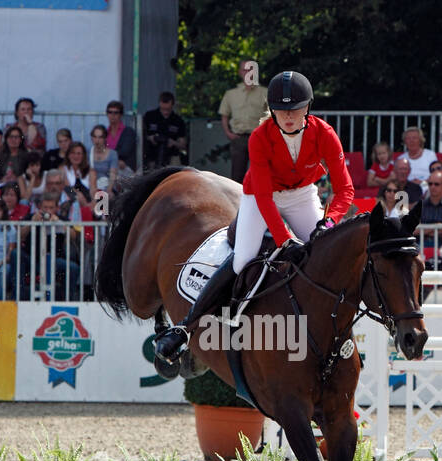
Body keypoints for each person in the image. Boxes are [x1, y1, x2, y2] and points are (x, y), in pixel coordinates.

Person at [154, 70, 354, 363]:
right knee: (243, 257)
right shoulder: (260, 137)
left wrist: (331, 221)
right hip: (261, 197)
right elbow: (263, 197)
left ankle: (342, 333)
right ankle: (187, 327)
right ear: (272, 110)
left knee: (330, 255)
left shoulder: (324, 133)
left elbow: (345, 190)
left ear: (307, 108)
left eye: (295, 109)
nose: (288, 116)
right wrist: (286, 239)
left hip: (301, 195)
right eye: (282, 110)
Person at [220, 60, 270, 182]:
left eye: (250, 69)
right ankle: (238, 201)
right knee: (237, 175)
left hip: (259, 138)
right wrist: (228, 133)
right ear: (240, 72)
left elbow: (272, 115)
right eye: (244, 69)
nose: (247, 72)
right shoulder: (231, 94)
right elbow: (224, 114)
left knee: (260, 174)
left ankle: (259, 200)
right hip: (238, 138)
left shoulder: (265, 92)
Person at [143, 92, 187, 170]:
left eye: (168, 109)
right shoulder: (150, 116)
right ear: (159, 104)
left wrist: (173, 142)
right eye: (163, 109)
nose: (165, 112)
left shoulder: (178, 120)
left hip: (172, 155)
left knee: (176, 171)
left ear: (172, 105)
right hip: (152, 154)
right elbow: (141, 136)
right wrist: (151, 138)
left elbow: (183, 145)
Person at [105, 100, 137, 173]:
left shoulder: (128, 131)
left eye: (116, 112)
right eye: (110, 112)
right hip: (108, 165)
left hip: (124, 167)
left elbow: (124, 152)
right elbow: (101, 149)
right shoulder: (105, 132)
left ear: (121, 114)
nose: (112, 115)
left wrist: (107, 156)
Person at [88, 124, 119, 196]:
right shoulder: (88, 153)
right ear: (92, 138)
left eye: (100, 137)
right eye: (95, 137)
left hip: (107, 187)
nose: (97, 140)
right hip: (92, 187)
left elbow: (113, 174)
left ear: (105, 138)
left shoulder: (112, 154)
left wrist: (109, 189)